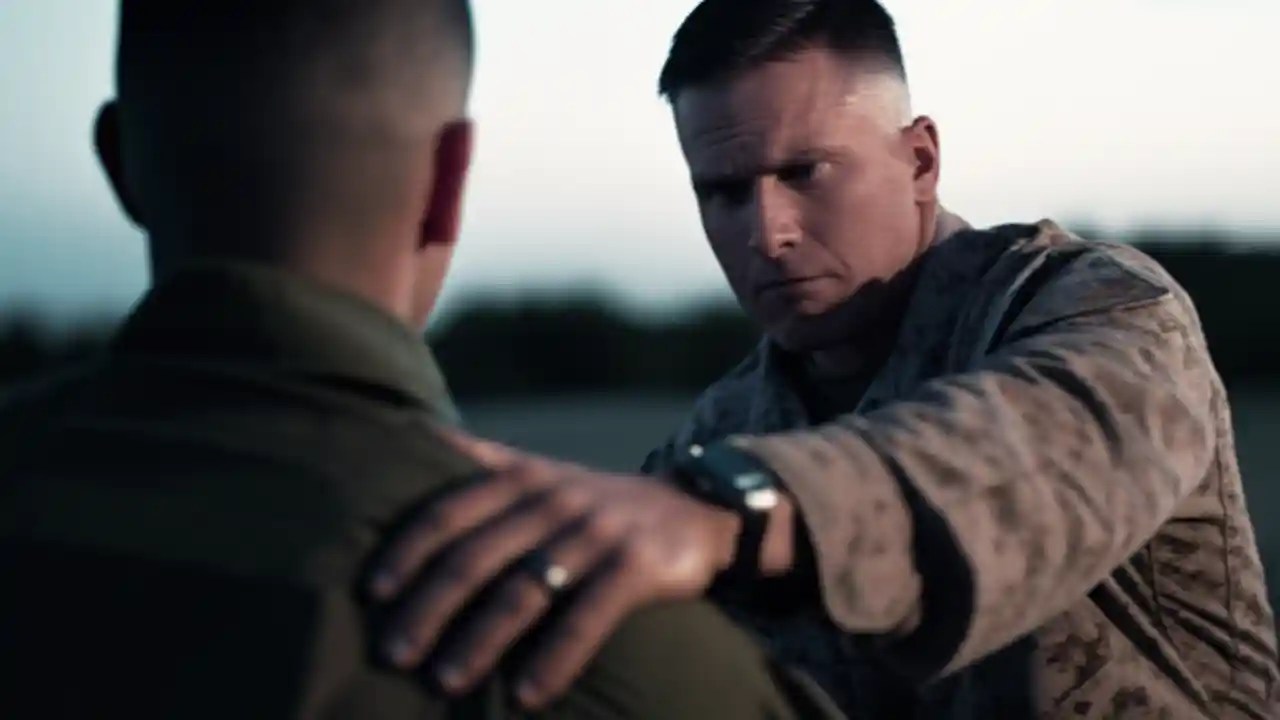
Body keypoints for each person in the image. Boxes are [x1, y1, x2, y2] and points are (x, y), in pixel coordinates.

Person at [367, 1, 1280, 718]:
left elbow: (1035, 450)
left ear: (920, 160)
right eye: (723, 192)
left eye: (805, 172)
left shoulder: (1102, 309)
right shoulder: (725, 428)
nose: (767, 233)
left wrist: (731, 514)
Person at [0, 2, 844, 718]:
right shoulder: (612, 648)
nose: (768, 231)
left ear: (120, 163)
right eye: (726, 192)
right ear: (450, 181)